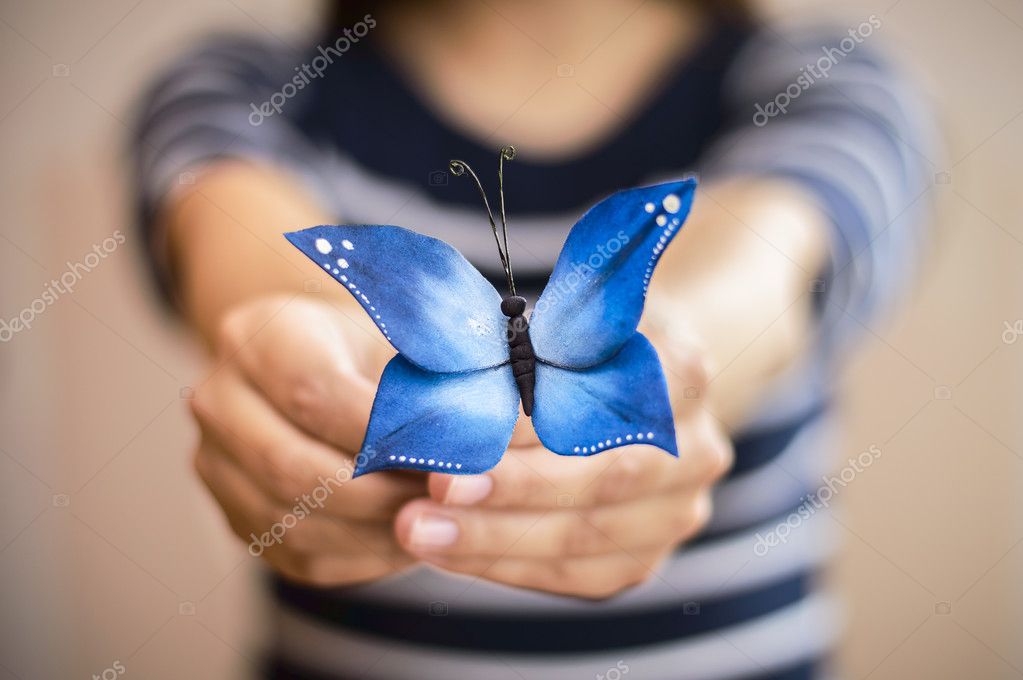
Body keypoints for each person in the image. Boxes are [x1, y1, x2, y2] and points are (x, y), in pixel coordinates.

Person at [131, 1, 934, 677]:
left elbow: (768, 260)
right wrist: (297, 370)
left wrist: (687, 353)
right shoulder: (245, 90)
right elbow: (240, 239)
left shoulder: (821, 82)